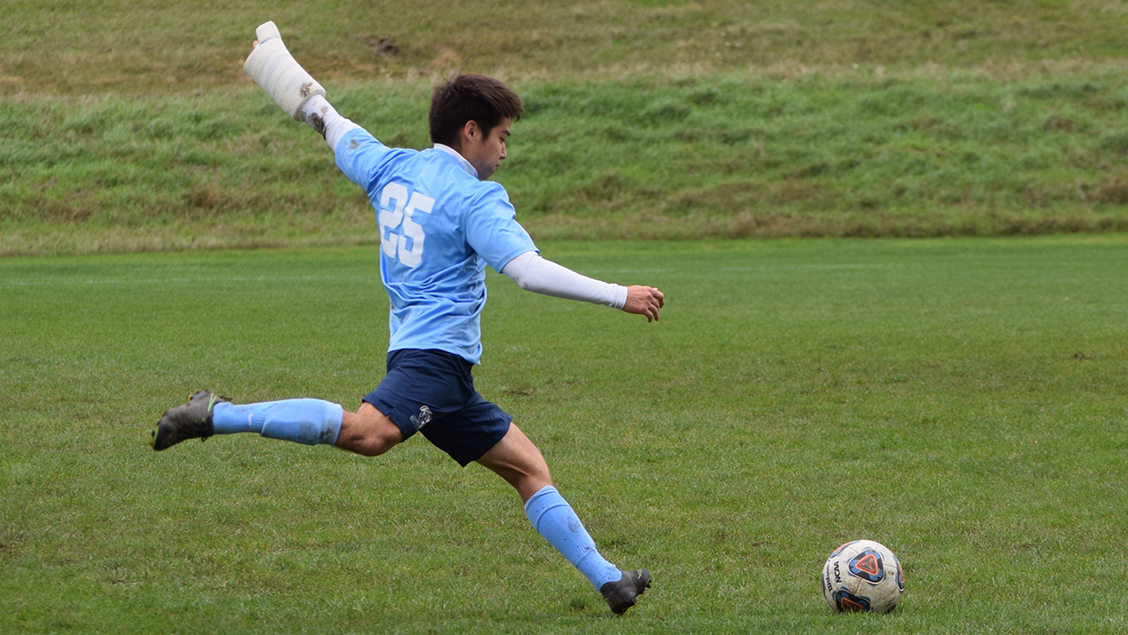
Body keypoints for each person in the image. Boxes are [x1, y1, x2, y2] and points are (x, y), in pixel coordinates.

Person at [150, 21, 665, 615]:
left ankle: (611, 582)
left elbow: (328, 121)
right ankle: (216, 415)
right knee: (369, 434)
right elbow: (527, 270)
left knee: (528, 468)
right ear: (470, 131)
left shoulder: (390, 166)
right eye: (501, 136)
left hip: (441, 370)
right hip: (432, 361)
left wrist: (284, 72)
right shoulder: (474, 197)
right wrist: (618, 294)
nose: (504, 150)